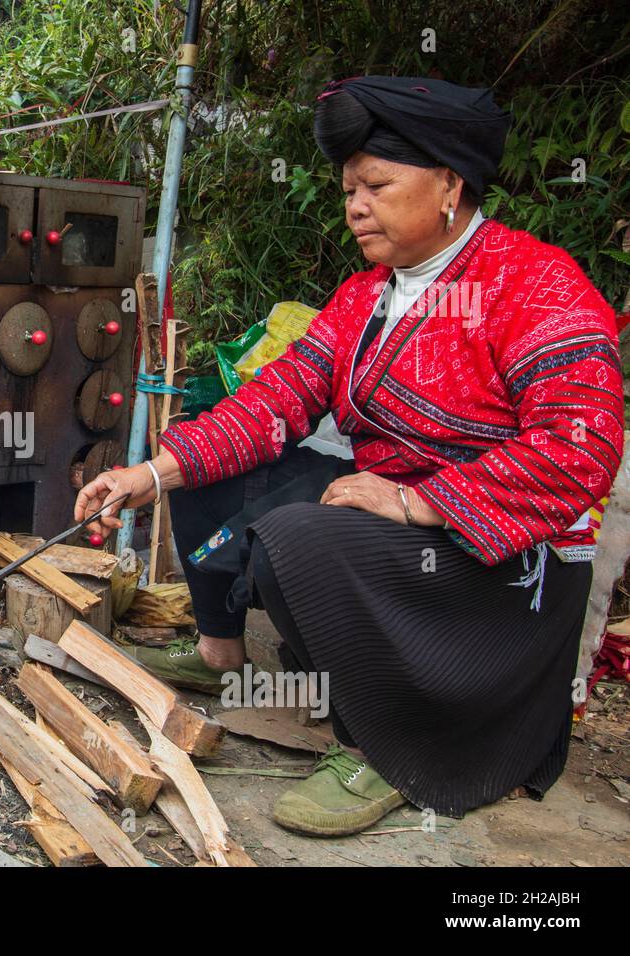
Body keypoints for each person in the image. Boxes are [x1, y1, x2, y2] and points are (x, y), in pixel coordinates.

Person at [75, 75, 625, 837]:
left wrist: (413, 502)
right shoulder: (367, 295)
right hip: (389, 512)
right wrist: (147, 473)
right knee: (213, 457)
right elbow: (277, 400)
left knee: (293, 540)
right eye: (348, 189)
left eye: (376, 185)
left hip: (494, 558)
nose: (355, 205)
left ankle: (388, 742)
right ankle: (221, 651)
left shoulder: (535, 284)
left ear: (449, 186)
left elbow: (580, 448)